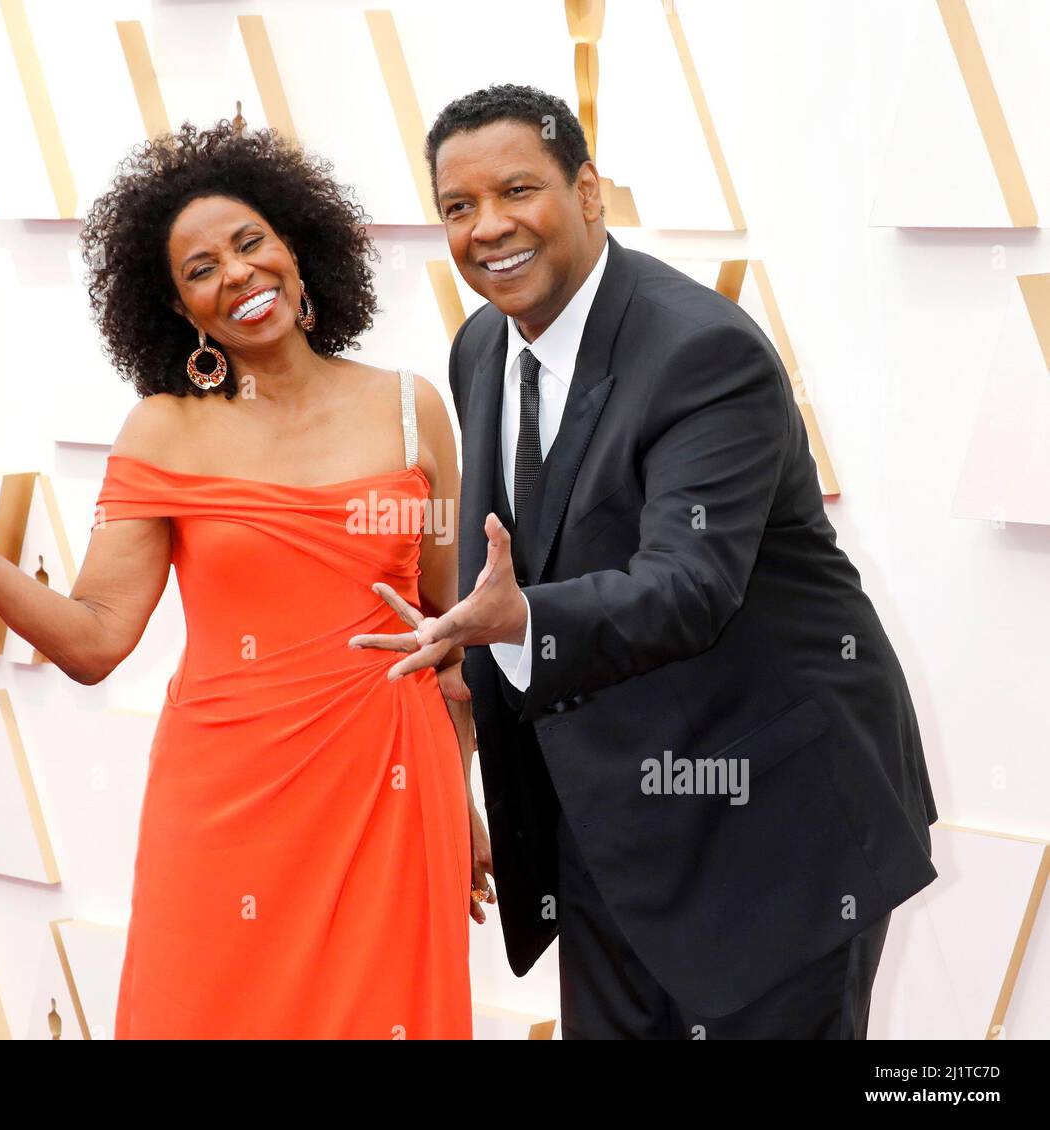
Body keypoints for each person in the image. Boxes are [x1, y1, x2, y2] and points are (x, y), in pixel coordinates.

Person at [0, 120, 487, 1039]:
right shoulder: (162, 433)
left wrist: (461, 797)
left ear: (297, 249)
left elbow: (444, 631)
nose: (239, 274)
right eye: (201, 268)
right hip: (228, 797)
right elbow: (95, 641)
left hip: (389, 788)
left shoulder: (411, 410)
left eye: (252, 243)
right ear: (179, 312)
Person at [350, 84, 939, 1039]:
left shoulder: (701, 350)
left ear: (589, 191)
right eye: (458, 207)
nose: (488, 227)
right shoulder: (480, 349)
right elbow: (506, 573)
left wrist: (525, 622)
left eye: (517, 191)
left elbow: (688, 586)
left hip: (771, 825)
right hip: (601, 832)